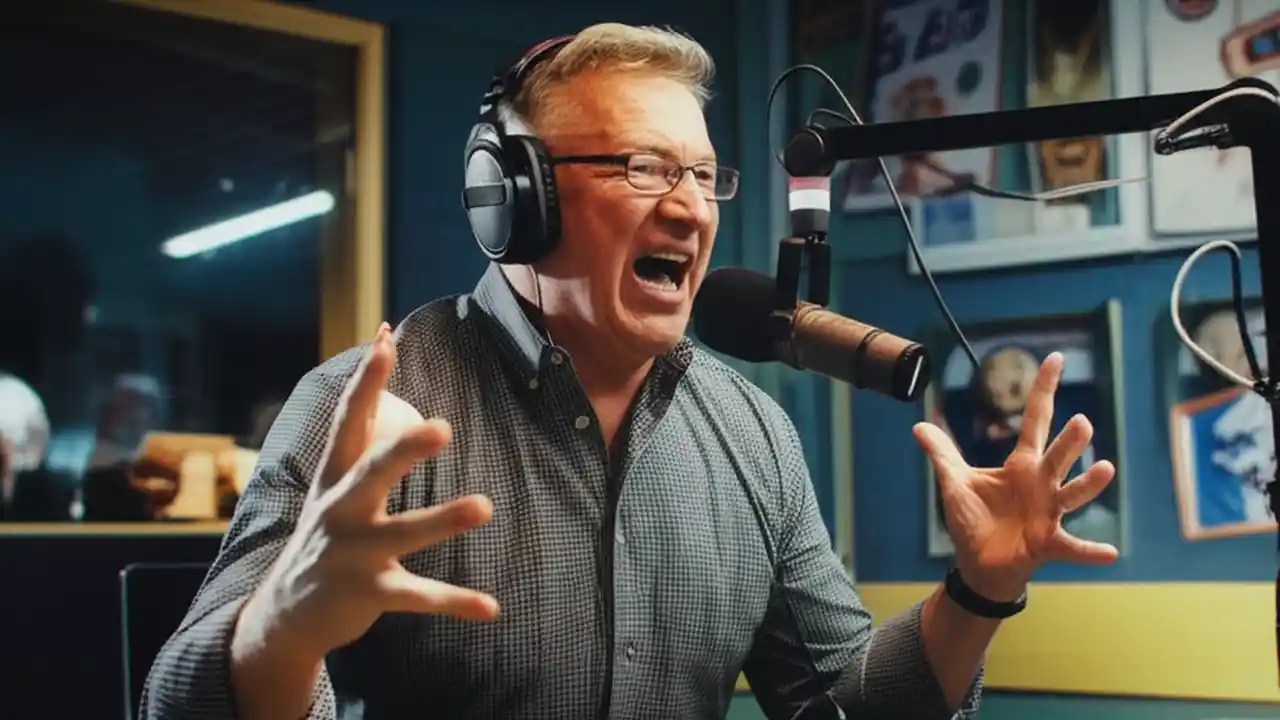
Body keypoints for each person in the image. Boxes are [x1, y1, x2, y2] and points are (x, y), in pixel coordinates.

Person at [141, 23, 1118, 720]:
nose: (690, 208)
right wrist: (282, 624)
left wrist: (977, 592)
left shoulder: (752, 434)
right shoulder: (367, 408)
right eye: (643, 168)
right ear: (512, 199)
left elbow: (841, 704)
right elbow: (173, 704)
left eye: (703, 175)